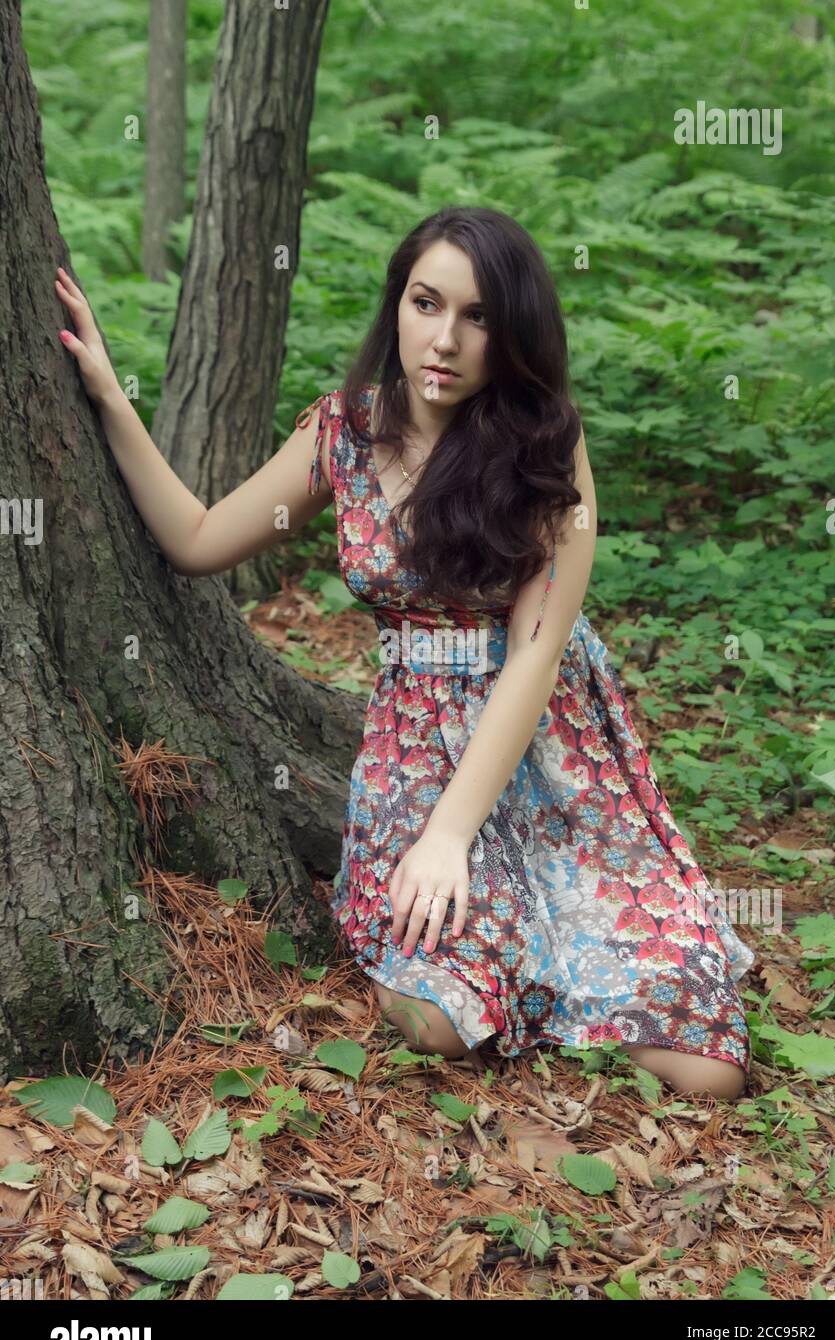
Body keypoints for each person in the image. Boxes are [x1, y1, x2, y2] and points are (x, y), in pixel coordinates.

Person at [55, 205, 755, 1101]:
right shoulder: (345, 432)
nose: (447, 339)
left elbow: (533, 661)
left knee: (705, 1072)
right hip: (414, 746)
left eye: (480, 318)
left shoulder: (547, 448)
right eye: (427, 303)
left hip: (549, 748)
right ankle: (518, 984)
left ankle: (571, 982)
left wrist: (452, 836)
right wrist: (112, 400)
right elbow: (196, 538)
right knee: (436, 1019)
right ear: (398, 304)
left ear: (512, 337)